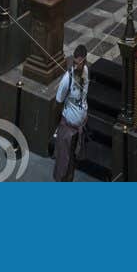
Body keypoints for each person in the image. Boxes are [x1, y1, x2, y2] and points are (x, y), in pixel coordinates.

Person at [52, 45, 89, 182]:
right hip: (67, 127)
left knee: (72, 161)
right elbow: (58, 102)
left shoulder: (86, 71)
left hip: (79, 128)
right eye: (74, 63)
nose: (76, 66)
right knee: (63, 163)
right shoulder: (67, 79)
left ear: (84, 61)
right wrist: (58, 125)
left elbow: (83, 96)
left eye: (79, 63)